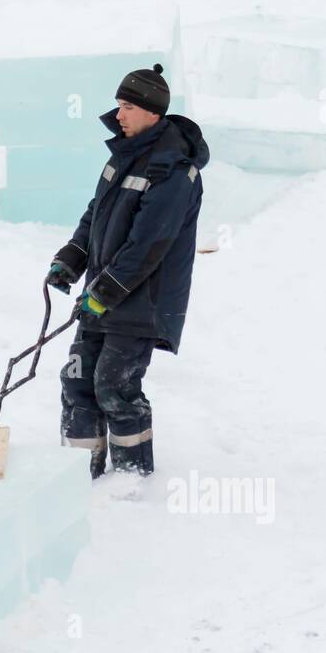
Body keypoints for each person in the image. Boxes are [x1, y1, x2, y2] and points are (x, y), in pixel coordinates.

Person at [45, 65, 209, 479]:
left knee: (114, 388)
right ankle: (77, 473)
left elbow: (148, 246)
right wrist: (71, 258)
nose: (119, 114)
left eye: (128, 106)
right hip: (102, 295)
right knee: (77, 381)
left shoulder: (172, 171)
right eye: (119, 104)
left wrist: (104, 292)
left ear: (153, 112)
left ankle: (132, 477)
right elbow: (96, 216)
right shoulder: (123, 155)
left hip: (139, 301)